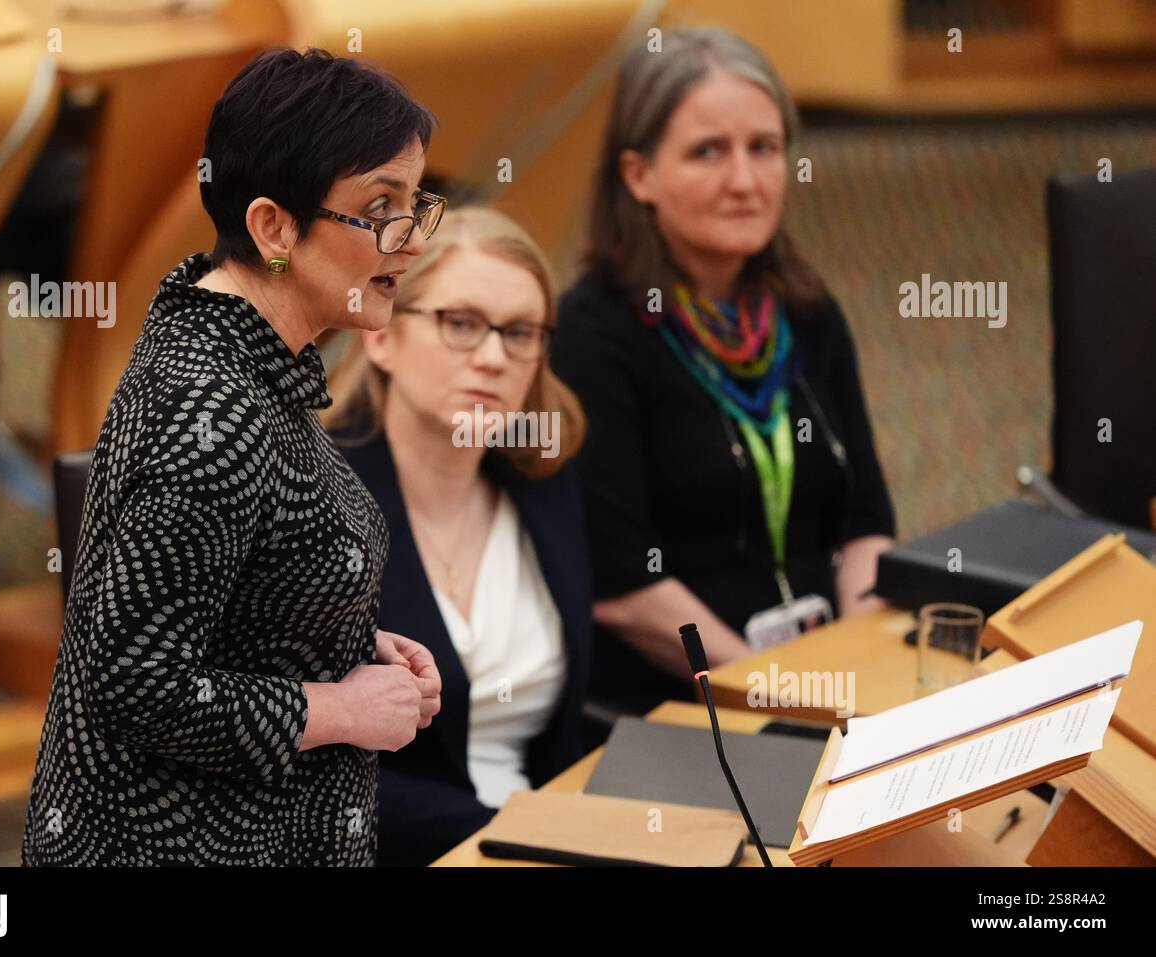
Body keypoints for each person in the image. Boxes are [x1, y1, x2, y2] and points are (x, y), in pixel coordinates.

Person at [22, 47, 447, 866]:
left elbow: (230, 593)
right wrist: (339, 707)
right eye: (380, 207)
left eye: (416, 203)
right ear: (273, 226)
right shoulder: (209, 410)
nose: (412, 241)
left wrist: (343, 639)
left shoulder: (249, 362)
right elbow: (138, 684)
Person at [551, 26, 896, 714]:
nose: (745, 181)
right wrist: (778, 688)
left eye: (763, 149)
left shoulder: (806, 311)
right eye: (708, 152)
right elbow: (622, 588)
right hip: (683, 702)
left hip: (824, 678)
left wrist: (858, 664)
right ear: (638, 175)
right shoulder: (595, 331)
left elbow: (865, 525)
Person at [324, 207, 592, 865]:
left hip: (543, 836)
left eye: (520, 332)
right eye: (462, 324)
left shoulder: (544, 483)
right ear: (381, 335)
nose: (496, 357)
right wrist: (509, 832)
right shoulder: (314, 501)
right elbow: (302, 770)